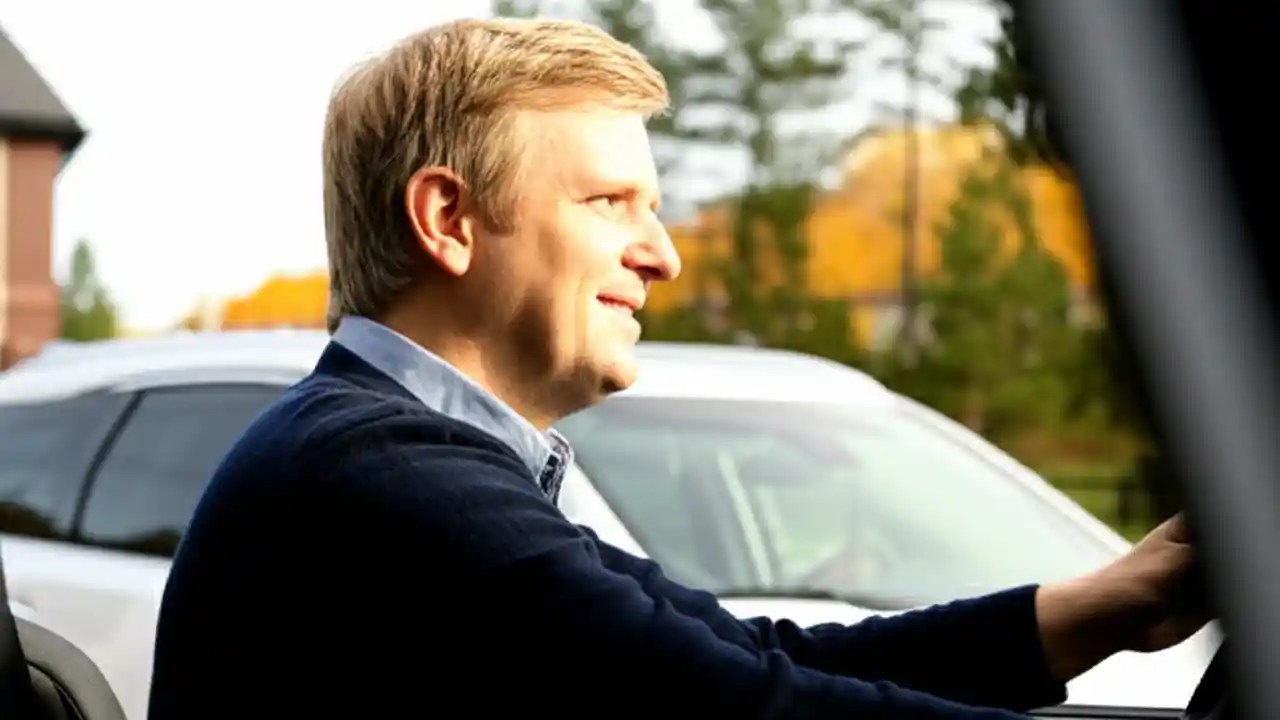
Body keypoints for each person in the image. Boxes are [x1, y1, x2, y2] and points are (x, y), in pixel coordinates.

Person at [145, 17, 1210, 719]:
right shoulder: (379, 474)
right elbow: (742, 708)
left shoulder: (389, 451)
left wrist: (1098, 606)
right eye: (612, 203)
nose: (661, 254)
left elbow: (753, 656)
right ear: (449, 219)